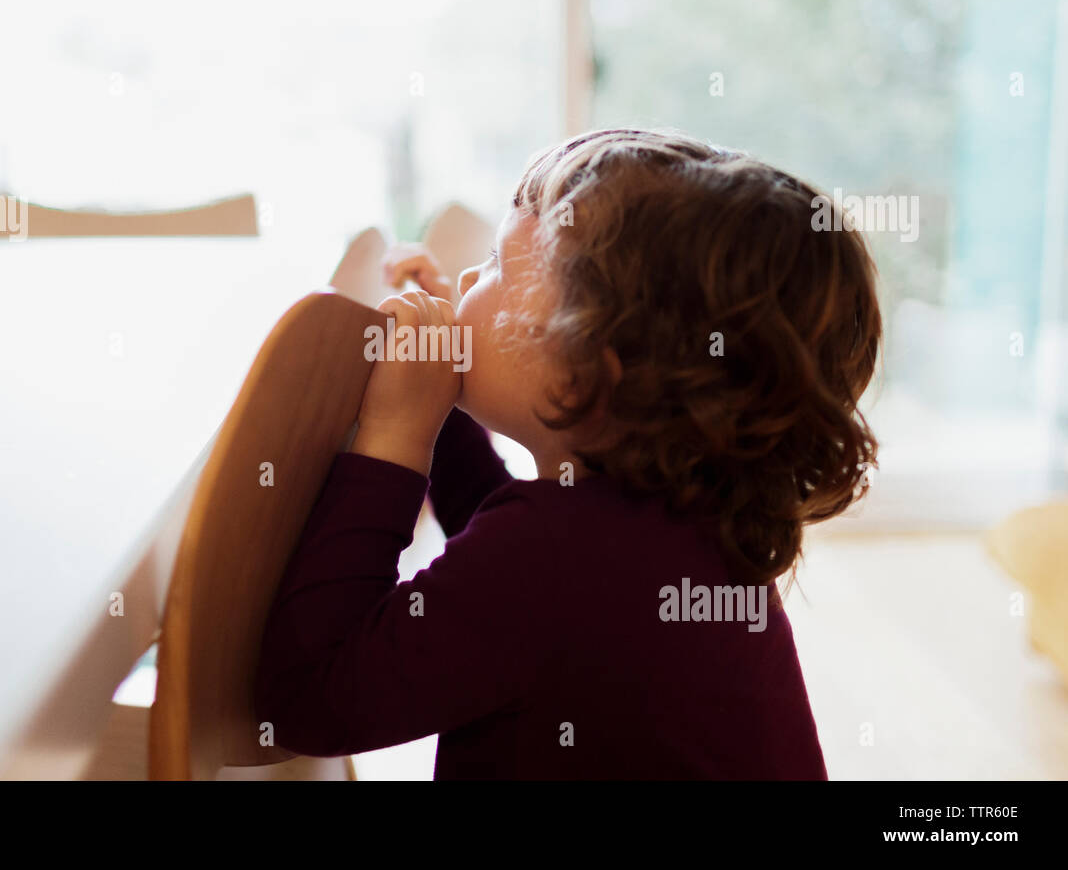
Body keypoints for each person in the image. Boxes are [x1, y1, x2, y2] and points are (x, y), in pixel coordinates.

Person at [254, 127, 882, 779]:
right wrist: (432, 399)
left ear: (590, 365)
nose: (470, 276)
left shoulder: (558, 555)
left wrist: (394, 436)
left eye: (498, 266)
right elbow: (495, 557)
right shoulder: (666, 526)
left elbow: (309, 696)